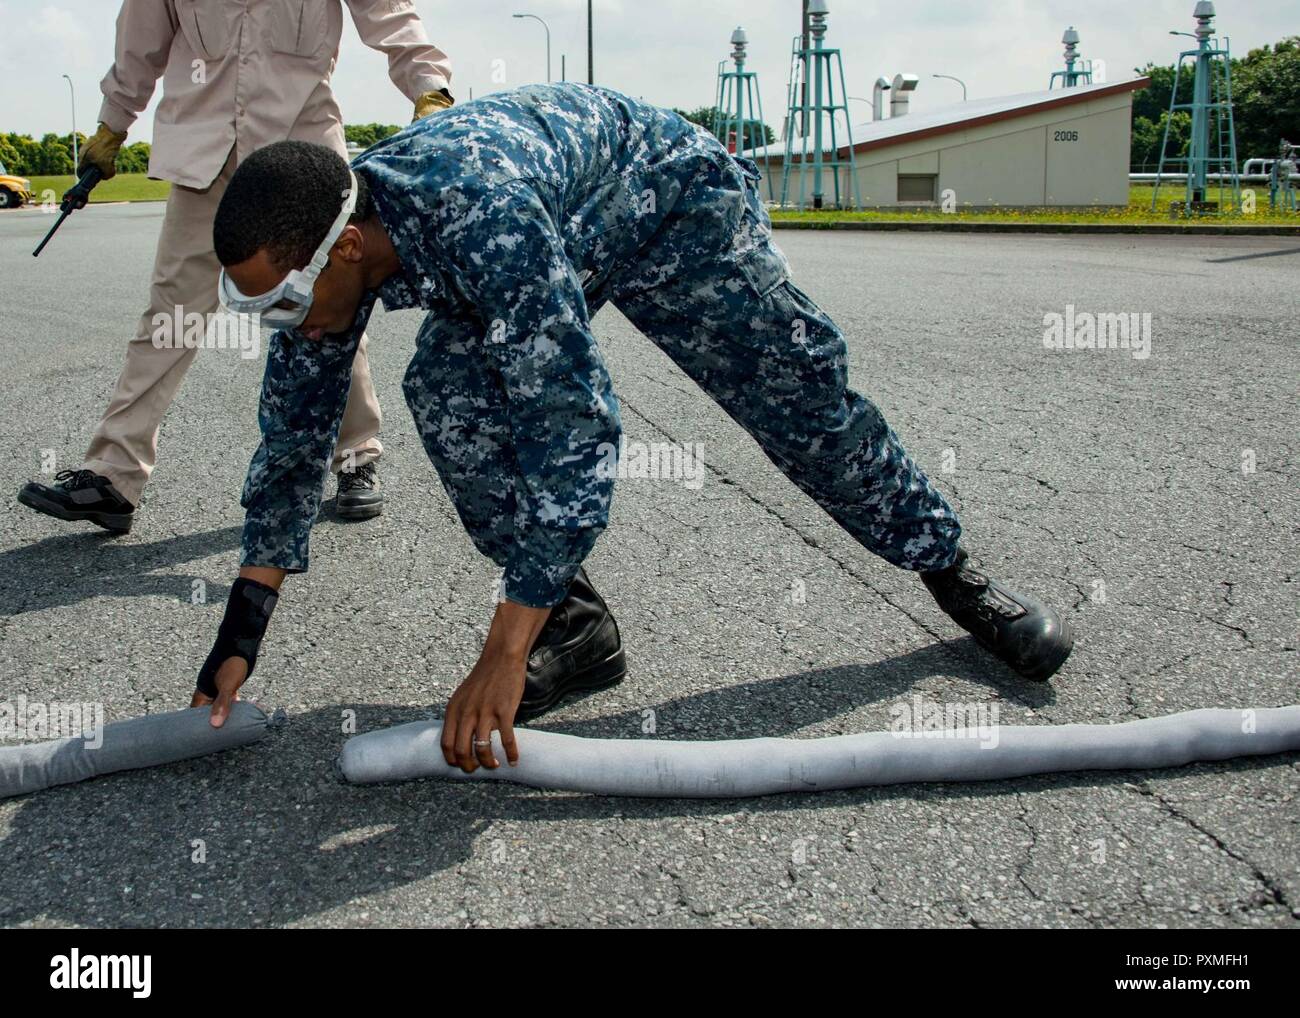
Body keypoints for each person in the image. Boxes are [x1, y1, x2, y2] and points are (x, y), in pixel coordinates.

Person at [199, 83, 1074, 774]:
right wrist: (243, 629)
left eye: (282, 300)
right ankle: (574, 626)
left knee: (800, 401)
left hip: (668, 200)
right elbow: (293, 435)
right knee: (447, 386)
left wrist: (500, 654)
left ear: (345, 247)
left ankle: (950, 570)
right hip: (560, 224)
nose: (282, 323)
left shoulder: (477, 214)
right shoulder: (319, 267)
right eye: (256, 307)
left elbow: (572, 425)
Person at [18, 0, 455, 532]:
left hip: (301, 156)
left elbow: (389, 15)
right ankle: (113, 474)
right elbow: (140, 48)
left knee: (330, 309)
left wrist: (429, 89)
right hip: (203, 157)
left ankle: (357, 457)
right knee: (168, 318)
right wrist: (112, 125)